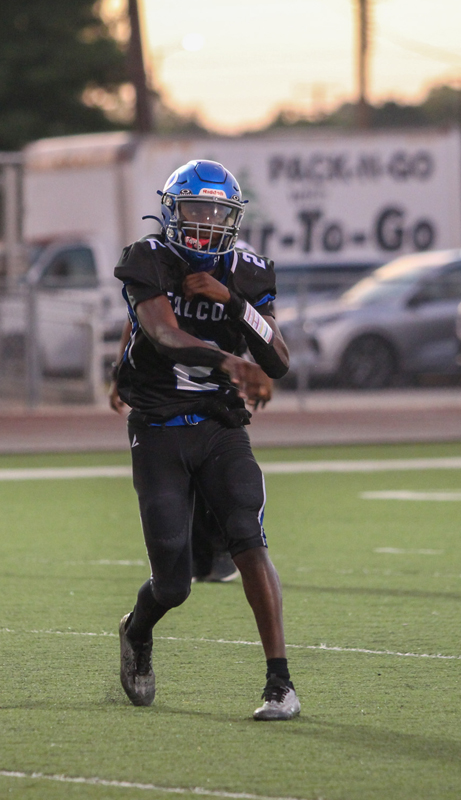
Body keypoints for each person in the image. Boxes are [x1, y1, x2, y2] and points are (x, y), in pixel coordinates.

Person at [112, 159, 299, 720]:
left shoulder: (246, 271)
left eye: (216, 212)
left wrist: (232, 302)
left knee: (249, 538)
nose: (204, 222)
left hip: (219, 423)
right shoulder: (148, 258)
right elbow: (161, 333)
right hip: (159, 426)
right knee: (173, 584)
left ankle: (280, 684)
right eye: (194, 209)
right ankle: (137, 629)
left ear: (233, 218)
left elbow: (278, 359)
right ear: (172, 210)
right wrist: (228, 361)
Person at [109, 308, 275, 585]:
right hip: (167, 391)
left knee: (223, 472)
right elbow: (137, 316)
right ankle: (197, 554)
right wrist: (119, 373)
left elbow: (262, 322)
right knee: (179, 476)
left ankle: (221, 548)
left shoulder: (235, 282)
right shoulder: (160, 283)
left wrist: (264, 369)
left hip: (217, 386)